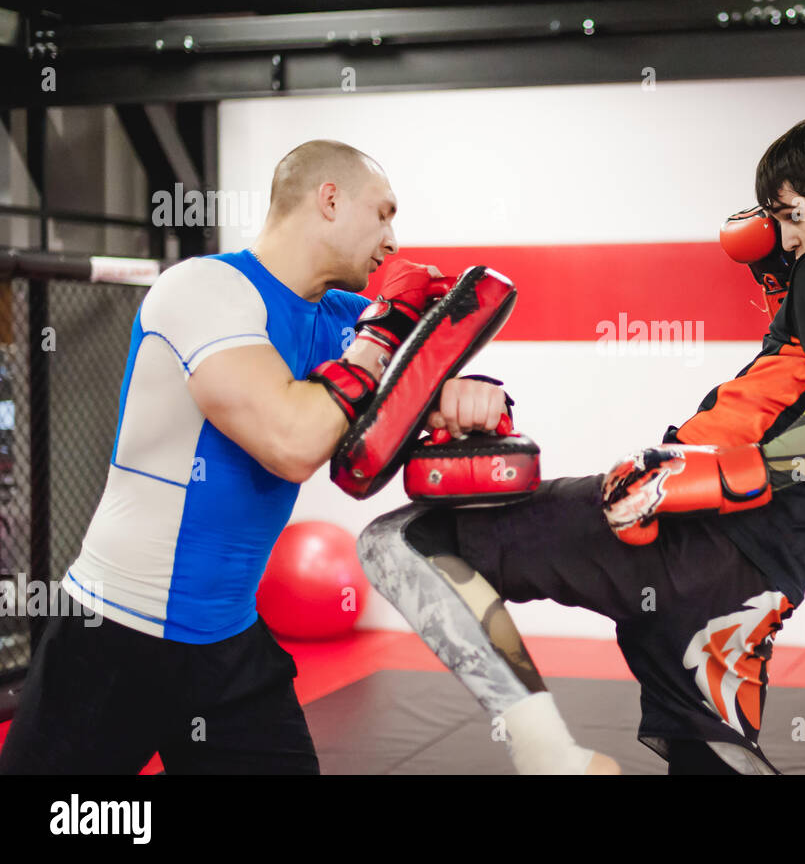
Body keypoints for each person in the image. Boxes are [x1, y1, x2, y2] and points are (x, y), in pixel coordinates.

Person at [359, 117, 805, 774]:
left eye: (790, 213)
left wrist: (716, 476)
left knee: (404, 541)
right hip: (763, 581)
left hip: (691, 539)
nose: (785, 235)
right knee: (709, 764)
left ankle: (549, 756)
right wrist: (786, 303)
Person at [0, 139, 521, 774]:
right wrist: (381, 340)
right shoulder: (203, 289)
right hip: (112, 635)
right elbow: (290, 443)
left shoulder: (348, 320)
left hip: (229, 645)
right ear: (328, 200)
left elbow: (420, 397)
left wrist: (470, 397)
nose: (393, 239)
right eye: (382, 213)